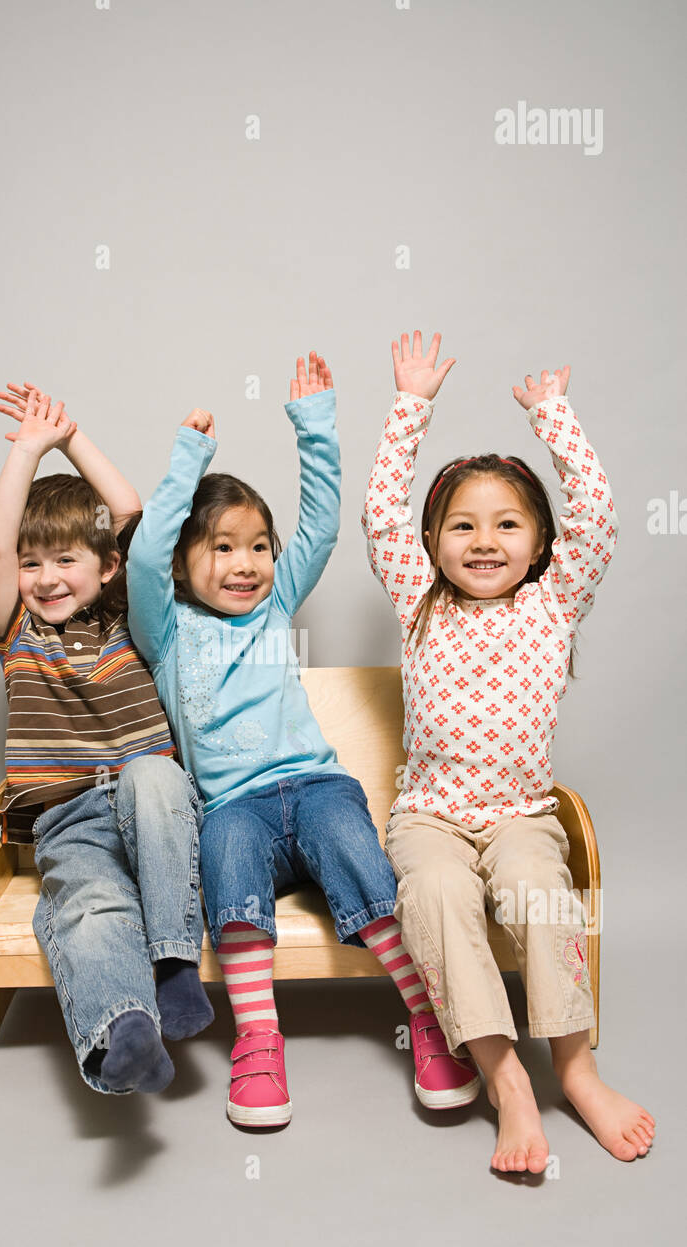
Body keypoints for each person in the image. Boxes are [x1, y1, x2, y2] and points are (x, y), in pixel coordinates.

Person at [126, 351, 480, 1128]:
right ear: (185, 567)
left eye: (257, 544)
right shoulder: (166, 629)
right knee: (225, 858)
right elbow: (144, 552)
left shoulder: (275, 602)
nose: (246, 563)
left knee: (356, 847)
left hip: (317, 788)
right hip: (234, 807)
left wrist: (313, 425)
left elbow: (321, 521)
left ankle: (427, 1020)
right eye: (221, 546)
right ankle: (258, 1041)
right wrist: (189, 461)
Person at [363, 329, 655, 1172]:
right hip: (431, 817)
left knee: (539, 888)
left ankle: (575, 1068)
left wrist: (553, 415)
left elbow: (598, 511)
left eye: (506, 524)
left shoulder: (555, 603)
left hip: (522, 812)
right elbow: (382, 511)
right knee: (440, 891)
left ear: (539, 542)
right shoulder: (420, 599)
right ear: (433, 543)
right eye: (461, 526)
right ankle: (507, 1081)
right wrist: (411, 406)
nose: (483, 541)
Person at [0, 381, 214, 1097]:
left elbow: (130, 514)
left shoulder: (121, 614)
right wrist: (26, 451)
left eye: (65, 560)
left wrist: (71, 438)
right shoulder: (17, 633)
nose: (46, 579)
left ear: (107, 566)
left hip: (155, 813)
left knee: (153, 774)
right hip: (68, 822)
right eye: (32, 564)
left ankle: (176, 970)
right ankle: (127, 1030)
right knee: (86, 906)